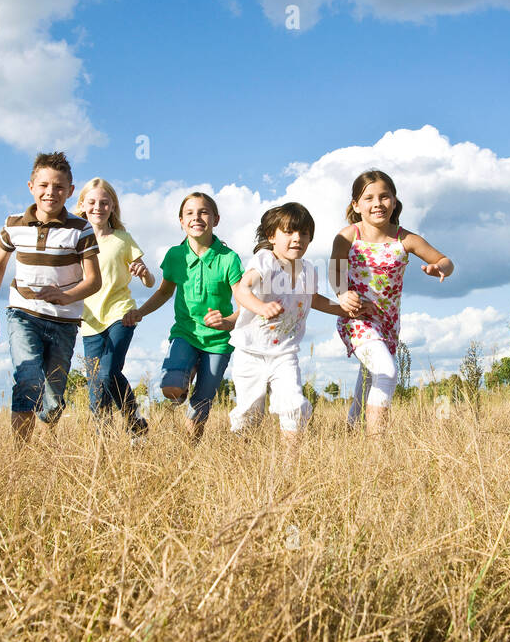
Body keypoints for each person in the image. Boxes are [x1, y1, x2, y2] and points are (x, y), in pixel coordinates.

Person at [0, 152, 101, 443]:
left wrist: (65, 295)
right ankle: (19, 456)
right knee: (27, 377)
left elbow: (94, 281)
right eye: (44, 185)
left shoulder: (80, 230)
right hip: (22, 314)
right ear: (31, 186)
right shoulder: (14, 223)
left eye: (59, 187)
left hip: (64, 322)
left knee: (53, 397)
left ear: (71, 192)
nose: (51, 193)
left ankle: (47, 443)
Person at [330, 170, 454, 436]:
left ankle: (351, 432)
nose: (377, 203)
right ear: (356, 205)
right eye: (369, 198)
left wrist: (438, 268)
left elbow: (446, 261)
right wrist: (342, 294)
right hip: (356, 319)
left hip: (387, 323)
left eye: (384, 196)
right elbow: (335, 271)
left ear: (394, 201)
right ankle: (377, 446)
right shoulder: (348, 236)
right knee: (386, 371)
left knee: (369, 377)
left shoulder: (405, 239)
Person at [123, 192, 241, 442]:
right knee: (171, 388)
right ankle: (186, 373)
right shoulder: (175, 256)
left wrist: (228, 321)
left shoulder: (228, 258)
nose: (196, 217)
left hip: (218, 341)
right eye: (189, 213)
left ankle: (189, 452)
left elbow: (243, 303)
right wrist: (140, 312)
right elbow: (164, 291)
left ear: (216, 219)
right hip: (185, 334)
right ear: (181, 220)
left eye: (203, 212)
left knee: (201, 403)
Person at [228, 202, 349, 448]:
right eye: (289, 232)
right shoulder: (265, 261)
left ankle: (289, 464)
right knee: (249, 412)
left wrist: (345, 309)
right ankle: (239, 456)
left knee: (293, 404)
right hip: (250, 352)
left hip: (285, 352)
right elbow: (242, 289)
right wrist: (261, 307)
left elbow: (313, 299)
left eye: (304, 233)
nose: (297, 238)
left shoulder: (308, 270)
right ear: (272, 236)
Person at [74, 177, 153, 436]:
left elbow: (151, 281)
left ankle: (132, 420)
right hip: (89, 321)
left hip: (121, 314)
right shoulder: (75, 240)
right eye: (93, 202)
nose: (98, 207)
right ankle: (105, 438)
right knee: (96, 383)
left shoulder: (122, 239)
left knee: (107, 372)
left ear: (112, 207)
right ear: (83, 204)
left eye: (104, 203)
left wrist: (143, 272)